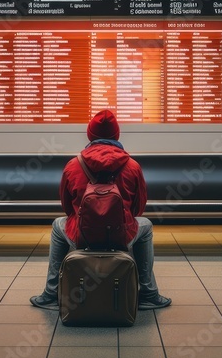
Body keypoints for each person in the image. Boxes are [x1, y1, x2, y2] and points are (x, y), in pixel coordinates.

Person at [30, 109, 171, 311]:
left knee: (57, 224)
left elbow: (67, 206)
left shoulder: (73, 165)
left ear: (90, 135)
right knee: (145, 225)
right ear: (117, 135)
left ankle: (51, 294)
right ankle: (148, 293)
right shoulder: (132, 165)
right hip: (121, 236)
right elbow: (138, 209)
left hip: (82, 236)